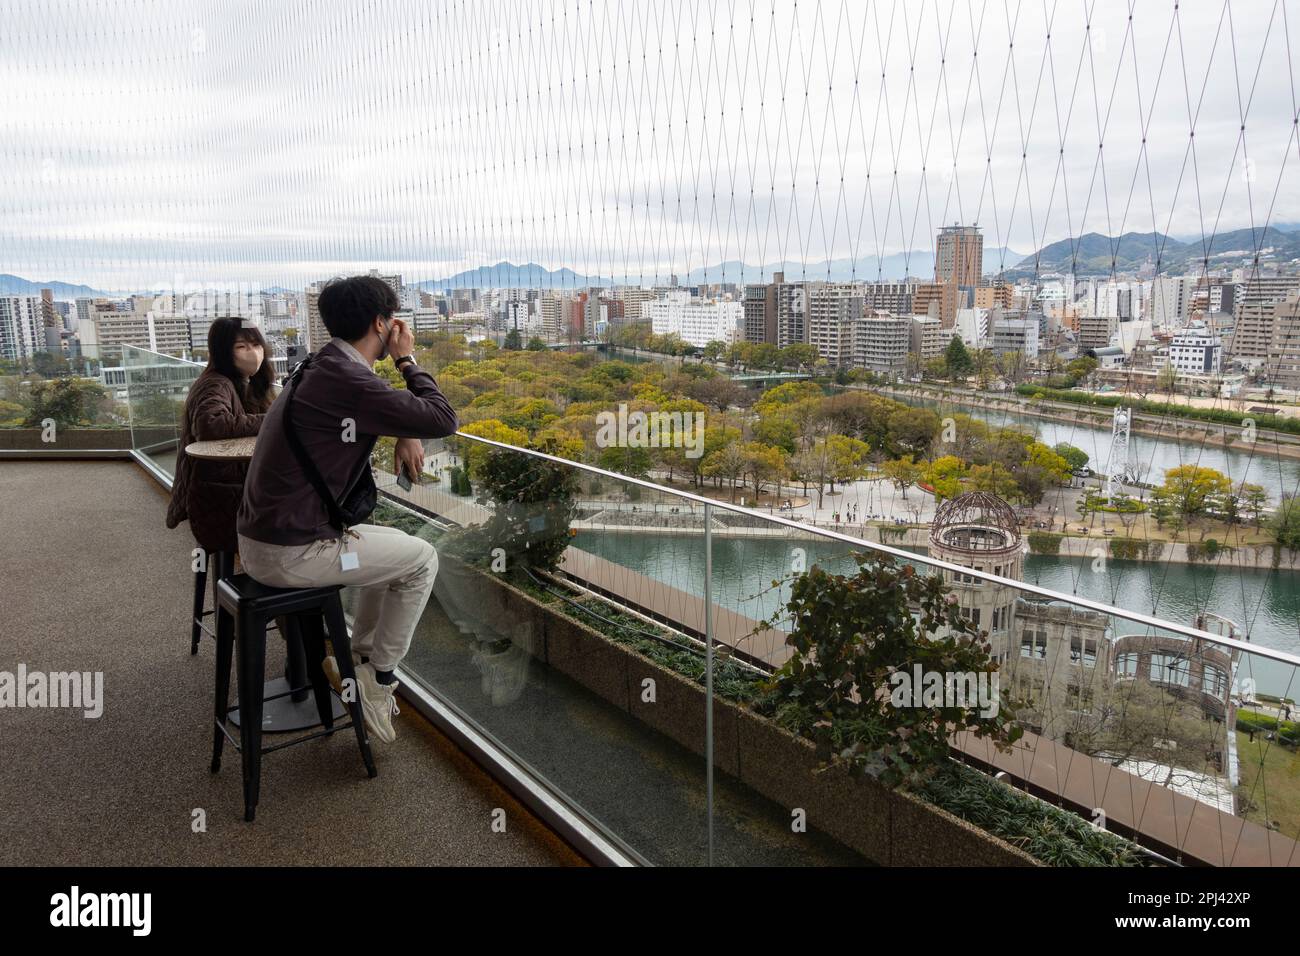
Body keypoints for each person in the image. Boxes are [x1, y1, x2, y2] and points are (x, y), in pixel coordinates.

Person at [236, 275, 459, 744]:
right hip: (292, 552)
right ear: (382, 323)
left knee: (397, 548)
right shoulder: (351, 378)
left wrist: (403, 428)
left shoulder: (322, 364)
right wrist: (406, 359)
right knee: (423, 561)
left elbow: (381, 410)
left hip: (263, 537)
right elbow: (443, 418)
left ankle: (356, 660)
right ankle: (378, 681)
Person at [166, 317, 275, 555]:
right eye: (241, 346)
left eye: (256, 345)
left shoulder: (242, 383)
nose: (253, 353)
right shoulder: (215, 384)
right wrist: (275, 418)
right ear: (223, 351)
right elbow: (211, 424)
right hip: (221, 501)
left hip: (225, 492)